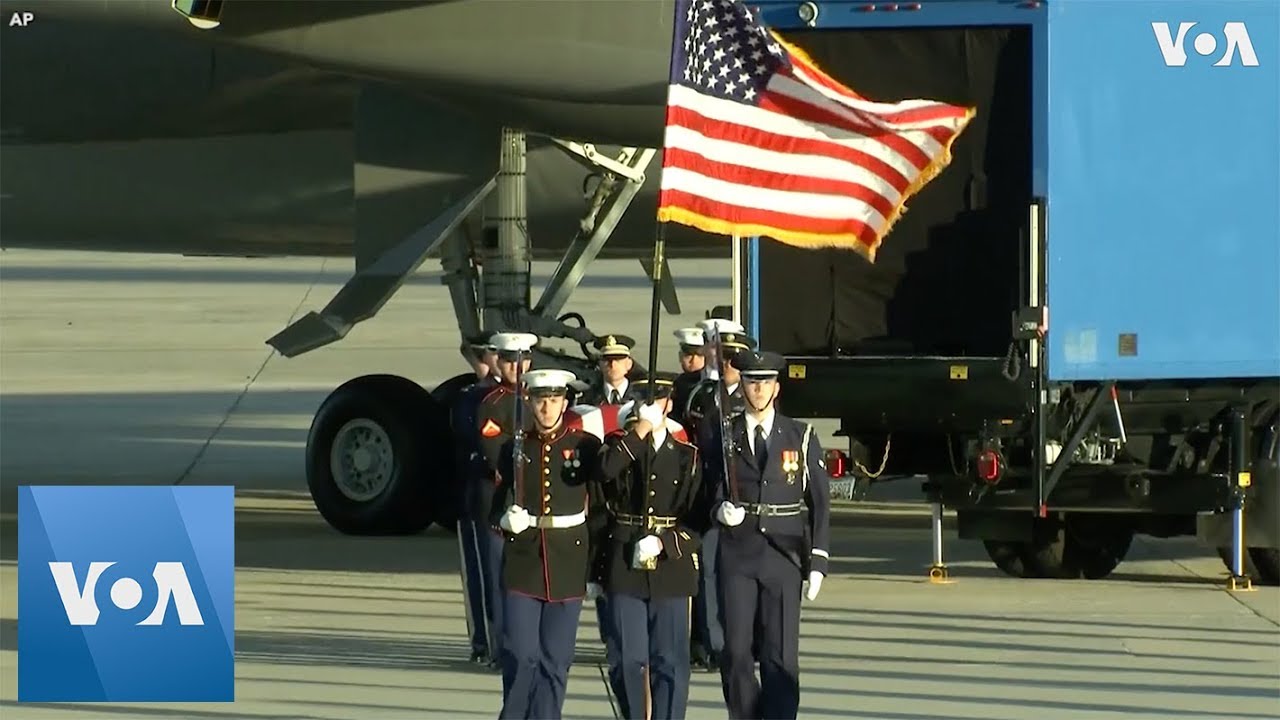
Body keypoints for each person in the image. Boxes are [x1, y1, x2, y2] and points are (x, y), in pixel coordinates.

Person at [707, 350, 831, 720]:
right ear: (742, 385)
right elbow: (707, 493)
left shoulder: (801, 435)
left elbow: (820, 502)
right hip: (738, 554)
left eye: (765, 382)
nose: (758, 389)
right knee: (736, 652)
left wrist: (818, 562)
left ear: (777, 387)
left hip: (784, 554)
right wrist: (719, 511)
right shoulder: (723, 433)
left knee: (780, 655)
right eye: (751, 382)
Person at [490, 368, 603, 720]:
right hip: (524, 559)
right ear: (530, 402)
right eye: (540, 401)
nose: (547, 408)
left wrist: (595, 569)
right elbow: (496, 504)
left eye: (554, 401)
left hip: (568, 559)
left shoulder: (584, 447)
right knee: (521, 654)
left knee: (556, 661)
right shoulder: (515, 447)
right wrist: (506, 517)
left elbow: (598, 511)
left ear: (565, 403)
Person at [591, 374, 705, 720]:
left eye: (656, 400)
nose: (649, 406)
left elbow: (698, 519)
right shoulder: (619, 448)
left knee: (670, 660)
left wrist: (665, 541)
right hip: (623, 561)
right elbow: (605, 477)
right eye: (642, 399)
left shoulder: (688, 456)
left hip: (671, 565)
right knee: (628, 657)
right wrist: (638, 433)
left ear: (669, 405)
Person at [683, 317, 756, 672]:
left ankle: (746, 641)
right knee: (708, 574)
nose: (726, 365)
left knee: (744, 575)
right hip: (710, 499)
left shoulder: (752, 398)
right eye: (722, 356)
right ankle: (713, 642)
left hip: (747, 503)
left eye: (733, 358)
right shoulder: (702, 397)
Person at [473, 331, 539, 671]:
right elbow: (493, 450)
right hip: (502, 500)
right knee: (500, 578)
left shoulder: (539, 397)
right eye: (510, 360)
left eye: (522, 359)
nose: (516, 366)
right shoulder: (493, 402)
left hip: (536, 500)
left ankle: (529, 644)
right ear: (499, 361)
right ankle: (502, 647)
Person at [452, 331, 501, 667]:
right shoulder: (473, 398)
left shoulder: (520, 396)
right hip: (482, 493)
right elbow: (472, 436)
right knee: (482, 569)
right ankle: (485, 640)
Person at [581, 334, 646, 406]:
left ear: (629, 364)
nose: (612, 365)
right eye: (607, 360)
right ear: (600, 364)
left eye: (618, 360)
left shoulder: (642, 396)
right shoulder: (587, 397)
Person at [669, 326, 705, 428]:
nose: (693, 361)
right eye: (688, 355)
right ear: (680, 357)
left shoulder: (710, 385)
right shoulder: (674, 386)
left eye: (699, 355)